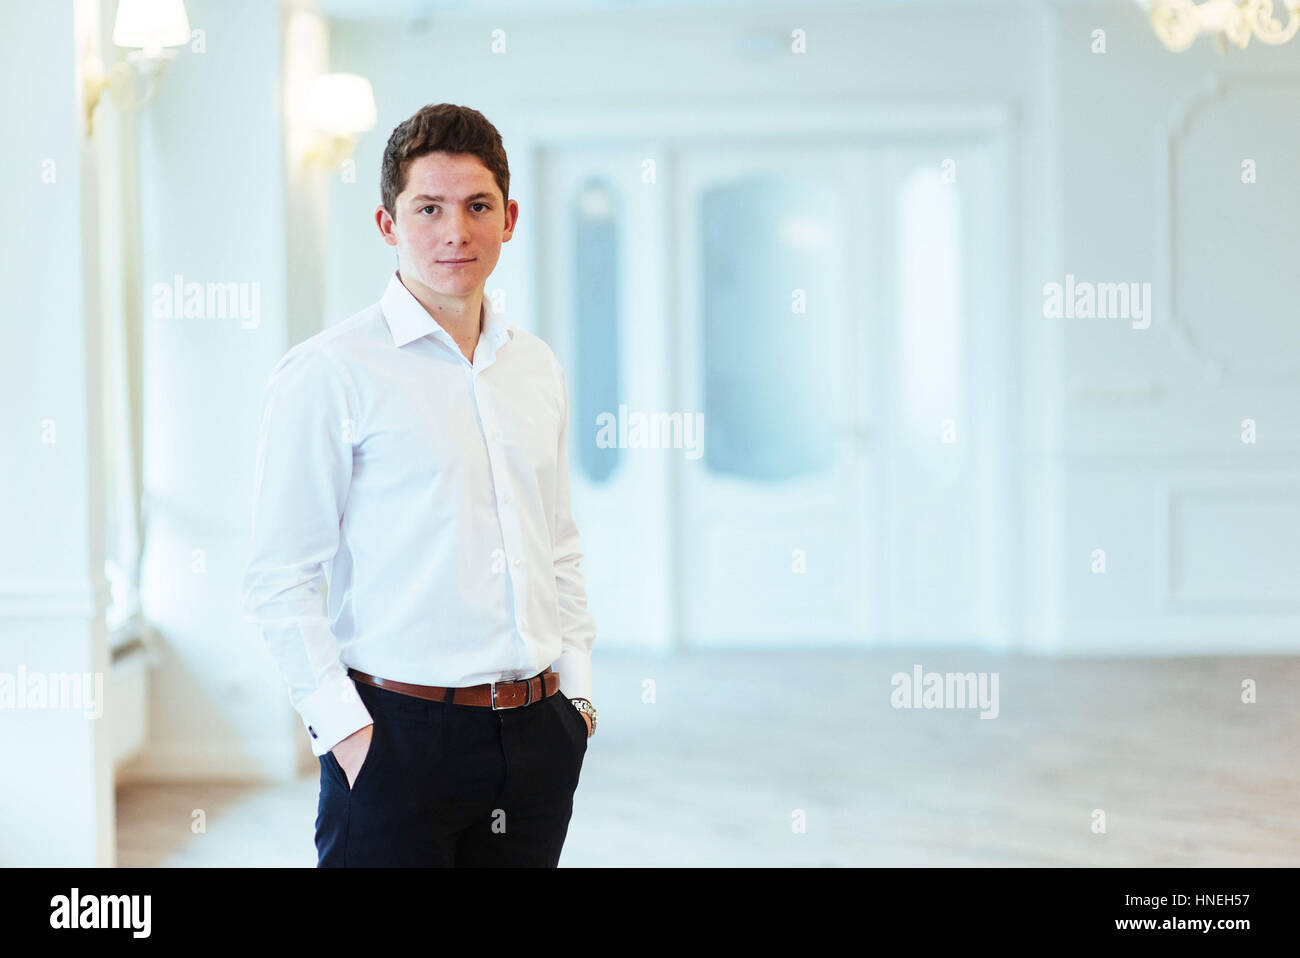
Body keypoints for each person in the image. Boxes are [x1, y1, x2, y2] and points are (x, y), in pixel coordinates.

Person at [240, 102, 597, 867]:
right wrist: (347, 732)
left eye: (477, 207)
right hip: (398, 740)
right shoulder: (330, 372)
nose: (455, 232)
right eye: (427, 208)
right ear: (386, 223)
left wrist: (579, 699)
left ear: (509, 219)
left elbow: (558, 544)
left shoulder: (533, 365)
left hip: (537, 737)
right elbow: (279, 577)